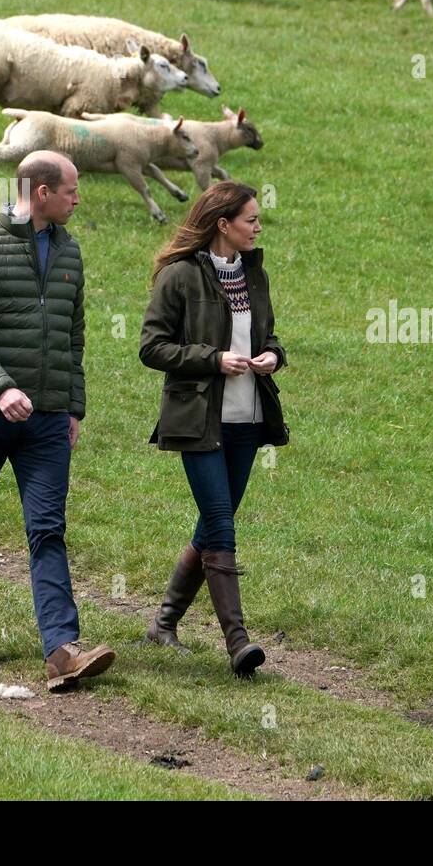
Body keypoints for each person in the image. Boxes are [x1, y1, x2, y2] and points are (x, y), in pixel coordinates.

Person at [0, 150, 115, 692]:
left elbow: (73, 334)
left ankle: (61, 649)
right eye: (72, 191)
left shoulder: (70, 251)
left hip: (48, 420)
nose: (79, 199)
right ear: (41, 194)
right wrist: (1, 387)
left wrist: (72, 406)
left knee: (48, 529)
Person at [139, 181, 288, 677]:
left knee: (211, 526)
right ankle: (238, 643)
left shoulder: (254, 274)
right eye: (251, 219)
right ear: (223, 224)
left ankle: (163, 623)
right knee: (222, 524)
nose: (258, 226)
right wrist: (213, 360)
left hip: (247, 420)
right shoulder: (179, 276)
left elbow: (267, 335)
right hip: (199, 421)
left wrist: (273, 356)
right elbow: (152, 347)